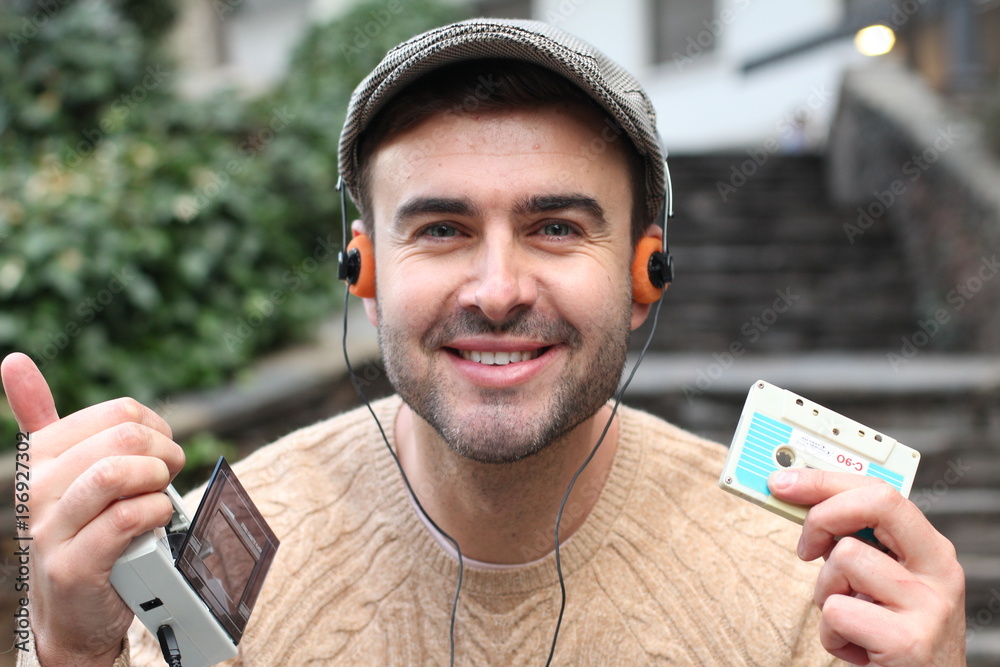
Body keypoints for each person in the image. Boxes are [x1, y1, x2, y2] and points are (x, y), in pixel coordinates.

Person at [3, 18, 966, 667]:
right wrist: (70, 655)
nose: (498, 291)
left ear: (645, 276)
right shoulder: (221, 570)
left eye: (555, 227)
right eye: (441, 228)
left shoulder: (810, 577)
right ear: (363, 276)